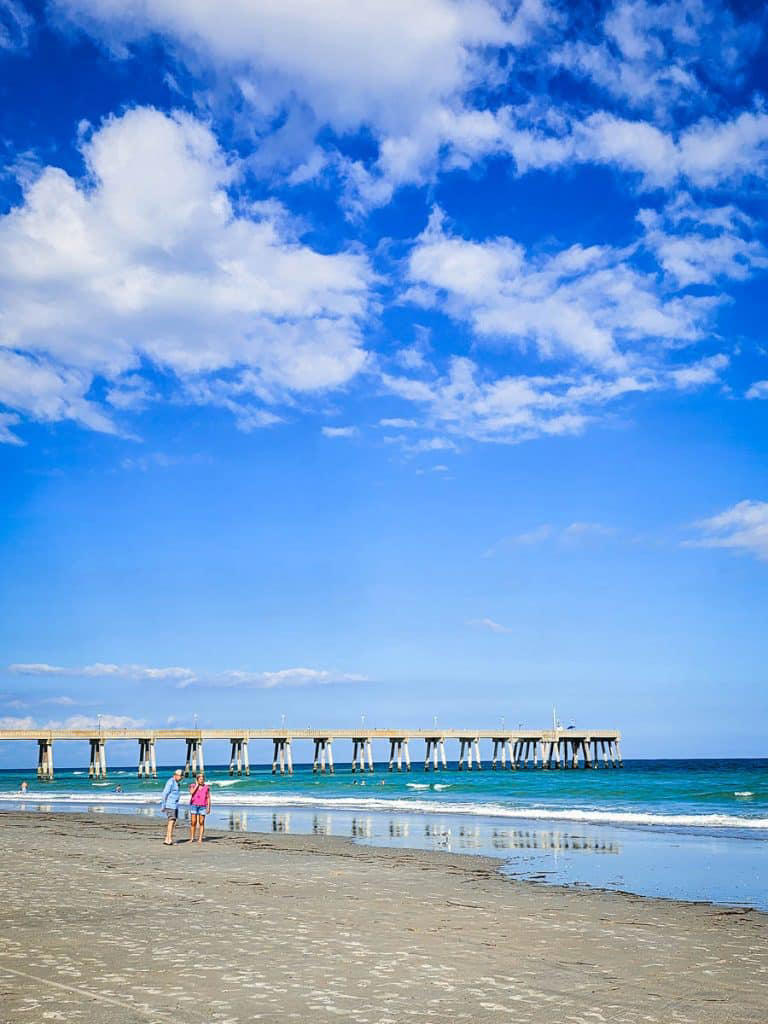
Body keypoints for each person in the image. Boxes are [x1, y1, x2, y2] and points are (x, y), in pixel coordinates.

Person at [160, 769, 183, 846]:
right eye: (180, 775)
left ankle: (168, 838)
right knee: (171, 821)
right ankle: (168, 839)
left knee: (173, 821)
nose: (182, 777)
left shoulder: (176, 783)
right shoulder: (171, 782)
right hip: (170, 805)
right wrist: (163, 805)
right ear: (175, 775)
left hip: (175, 805)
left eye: (182, 775)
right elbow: (164, 794)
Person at [188, 772, 211, 844]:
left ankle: (200, 838)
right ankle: (192, 838)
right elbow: (191, 793)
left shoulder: (206, 787)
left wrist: (208, 807)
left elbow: (208, 798)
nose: (201, 780)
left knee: (201, 822)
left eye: (203, 779)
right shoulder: (193, 785)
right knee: (193, 822)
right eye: (200, 779)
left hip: (203, 806)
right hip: (194, 805)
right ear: (197, 780)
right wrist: (196, 785)